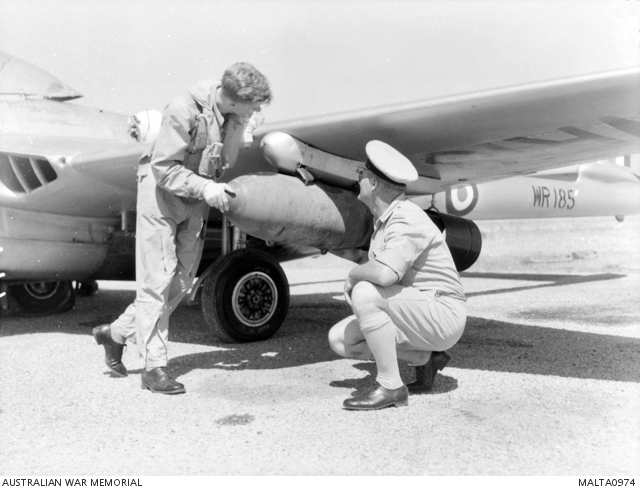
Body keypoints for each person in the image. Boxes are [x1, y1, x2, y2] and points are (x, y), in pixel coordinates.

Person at [93, 62, 272, 394]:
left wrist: (240, 132)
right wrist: (205, 189)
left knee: (182, 282)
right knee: (157, 281)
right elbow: (163, 168)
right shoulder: (183, 109)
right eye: (254, 106)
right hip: (160, 195)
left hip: (194, 196)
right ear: (233, 99)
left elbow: (222, 163)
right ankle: (154, 369)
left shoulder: (231, 115)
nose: (258, 111)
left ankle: (115, 334)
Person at [328, 140, 467, 410]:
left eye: (362, 175)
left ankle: (391, 387)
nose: (358, 179)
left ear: (375, 184)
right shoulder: (386, 220)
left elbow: (384, 274)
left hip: (443, 311)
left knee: (366, 293)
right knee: (340, 339)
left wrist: (353, 275)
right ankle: (426, 359)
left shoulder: (406, 218)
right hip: (420, 306)